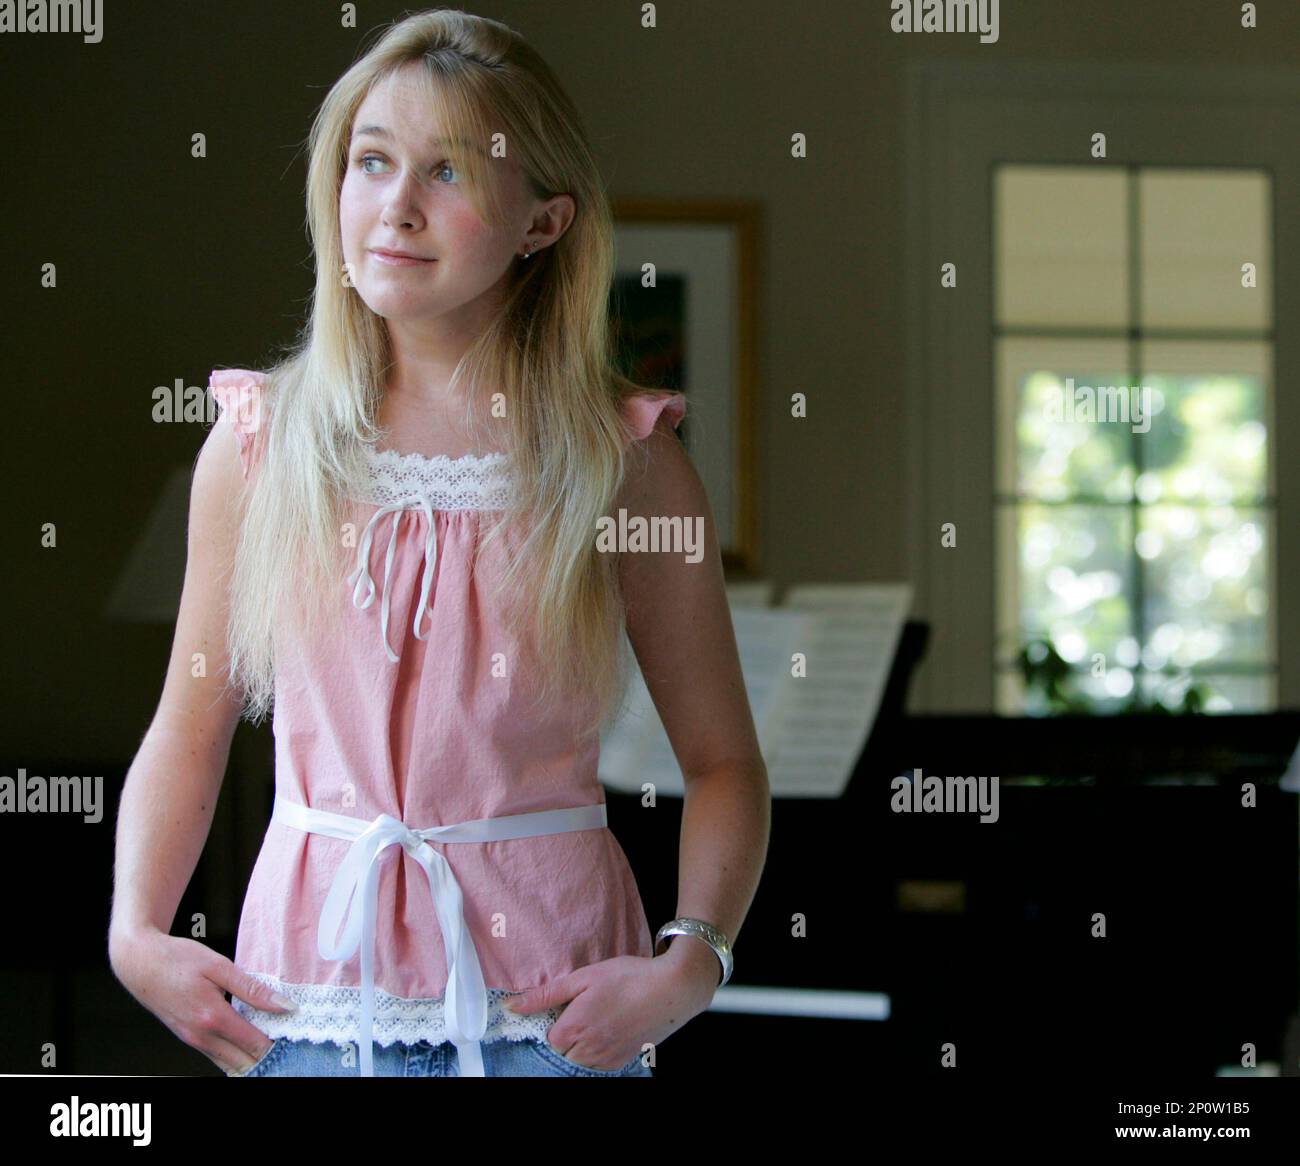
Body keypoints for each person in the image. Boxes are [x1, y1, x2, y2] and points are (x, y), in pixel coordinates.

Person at [108, 8, 770, 1078]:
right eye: (371, 163)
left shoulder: (625, 461)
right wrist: (136, 932)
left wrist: (690, 961)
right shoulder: (257, 447)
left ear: (542, 224)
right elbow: (190, 721)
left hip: (553, 1015)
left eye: (449, 173)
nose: (396, 207)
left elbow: (724, 761)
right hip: (306, 1007)